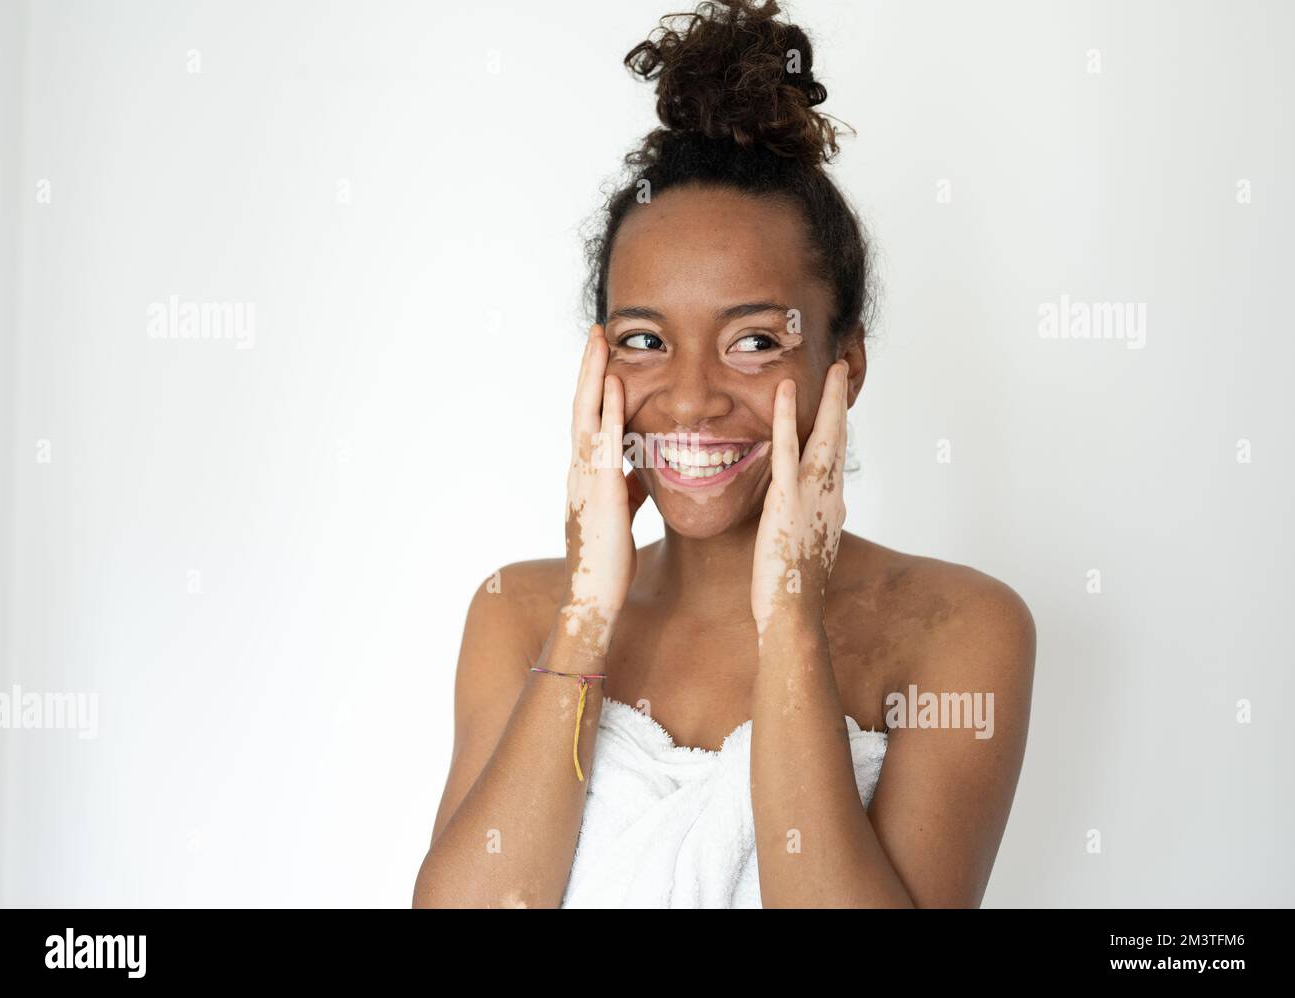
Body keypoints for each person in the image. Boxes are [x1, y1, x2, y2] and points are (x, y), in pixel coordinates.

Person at [412, 0, 1035, 909]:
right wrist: (587, 612)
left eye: (753, 341)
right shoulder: (519, 614)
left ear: (844, 364)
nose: (693, 398)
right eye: (644, 340)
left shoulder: (956, 631)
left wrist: (789, 619)